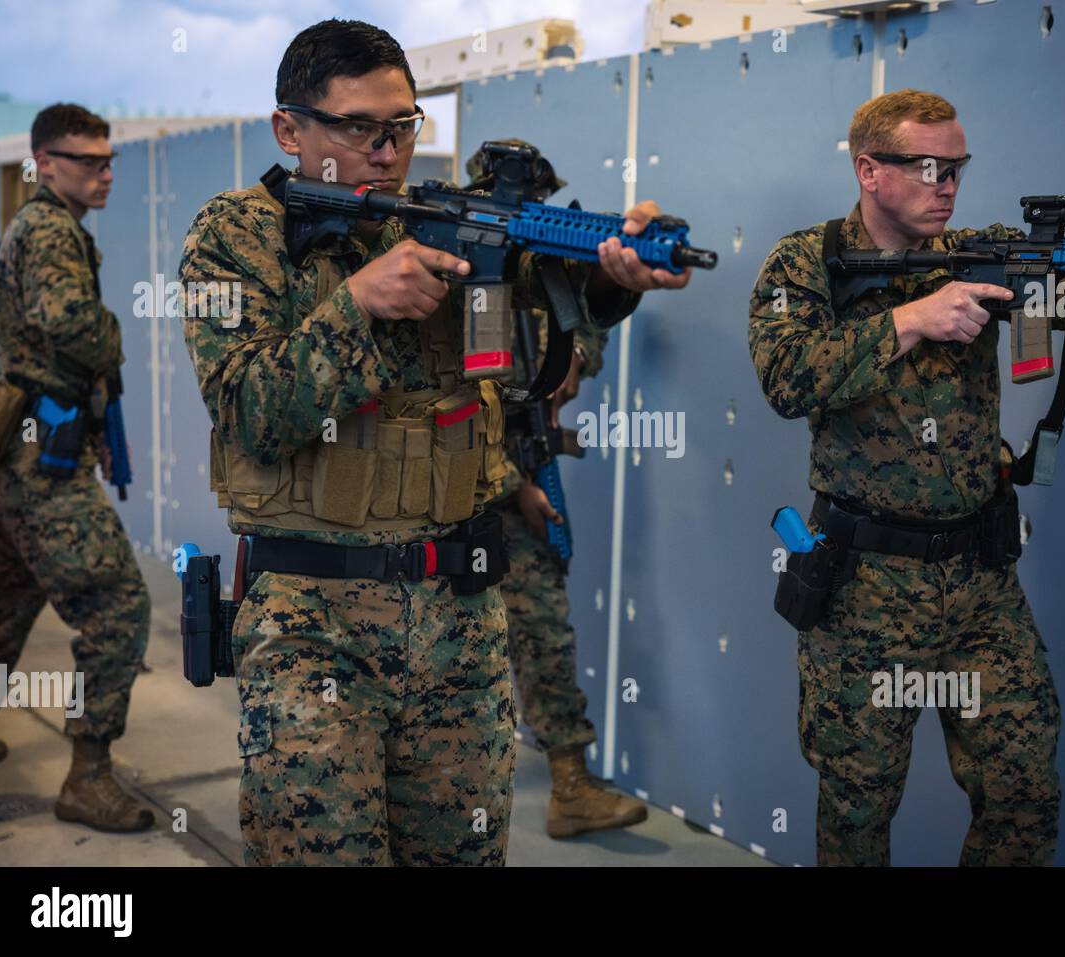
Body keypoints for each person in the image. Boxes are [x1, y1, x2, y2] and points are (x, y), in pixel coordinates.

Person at [179, 19, 690, 866]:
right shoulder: (236, 234)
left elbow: (547, 286)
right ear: (288, 130)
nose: (387, 150)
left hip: (462, 622)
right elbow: (248, 410)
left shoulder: (442, 217)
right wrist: (357, 306)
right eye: (358, 128)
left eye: (403, 126)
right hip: (315, 625)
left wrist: (612, 270)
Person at [748, 88, 1065, 866]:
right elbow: (786, 377)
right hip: (865, 585)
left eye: (957, 167)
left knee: (1025, 790)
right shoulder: (804, 262)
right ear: (868, 169)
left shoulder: (987, 252)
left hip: (980, 580)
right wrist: (912, 318)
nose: (947, 183)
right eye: (928, 166)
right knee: (859, 805)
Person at [464, 143, 650, 839]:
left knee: (541, 624)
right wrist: (516, 487)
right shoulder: (460, 268)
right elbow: (442, 396)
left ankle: (570, 782)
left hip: (522, 456)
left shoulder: (546, 274)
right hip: (457, 477)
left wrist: (569, 356)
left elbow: (584, 346)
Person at [0, 103, 153, 832]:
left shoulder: (48, 224)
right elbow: (70, 324)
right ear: (45, 163)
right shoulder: (49, 227)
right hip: (35, 458)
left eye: (108, 160)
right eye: (89, 161)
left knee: (10, 593)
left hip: (14, 449)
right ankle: (87, 775)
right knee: (117, 601)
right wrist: (115, 336)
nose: (106, 173)